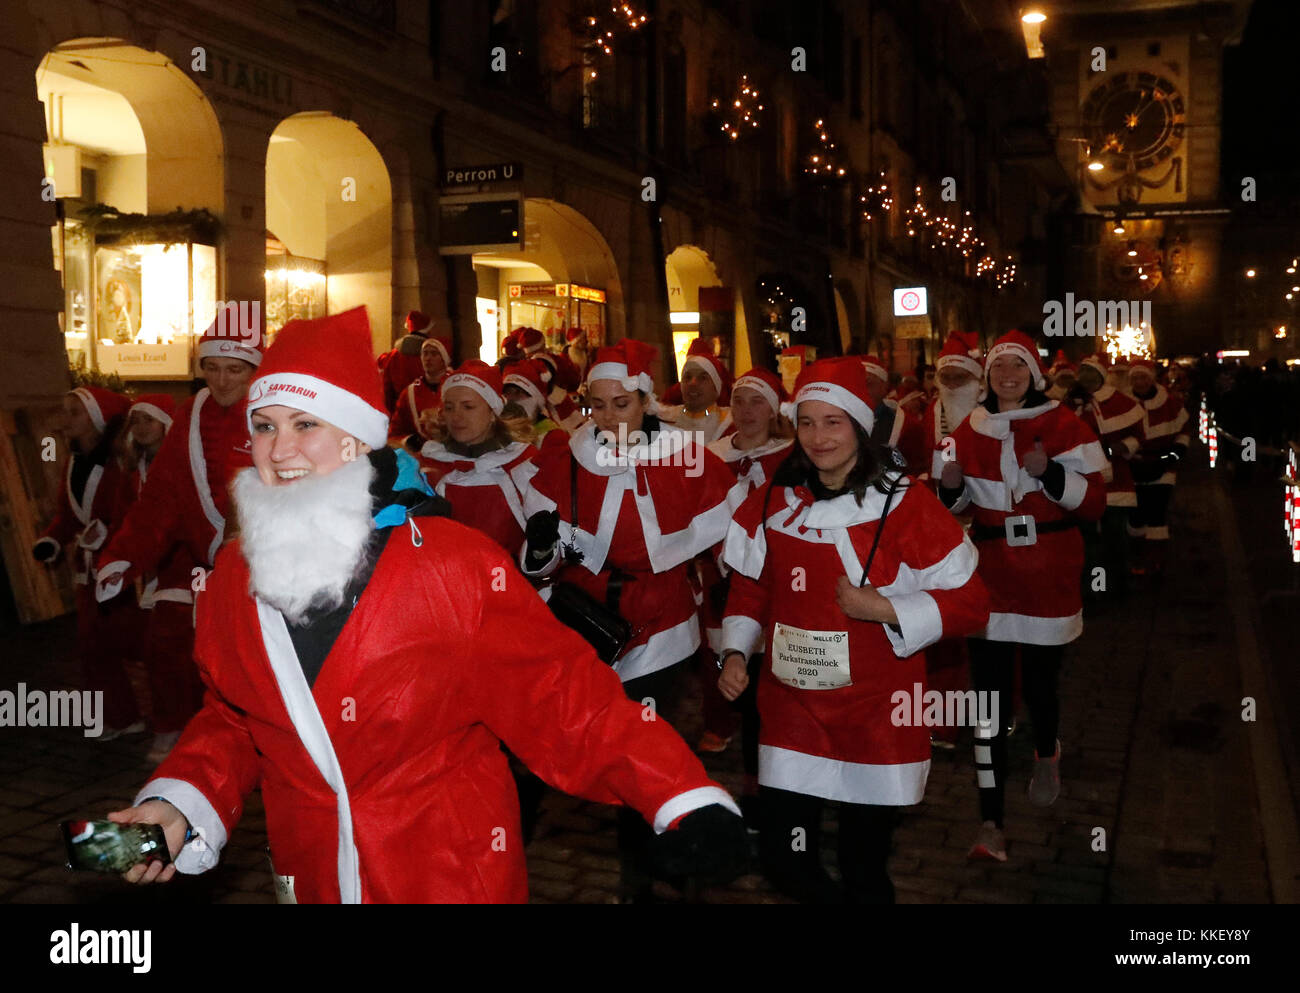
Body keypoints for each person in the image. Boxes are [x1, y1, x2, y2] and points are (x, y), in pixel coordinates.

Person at [105, 306, 745, 903]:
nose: (278, 450)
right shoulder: (235, 577)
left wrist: (677, 794)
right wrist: (184, 799)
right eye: (265, 427)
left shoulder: (451, 566)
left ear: (356, 439)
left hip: (448, 873)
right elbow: (241, 717)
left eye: (306, 425)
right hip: (314, 875)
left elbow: (561, 696)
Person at [717, 357, 990, 903]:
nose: (818, 438)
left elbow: (973, 603)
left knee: (863, 868)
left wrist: (887, 610)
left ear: (861, 426)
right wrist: (735, 653)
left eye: (833, 422)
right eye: (808, 422)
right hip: (794, 709)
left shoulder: (905, 504)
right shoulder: (774, 497)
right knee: (783, 859)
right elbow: (751, 585)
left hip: (876, 712)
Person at [515, 337, 736, 901]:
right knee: (548, 743)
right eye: (597, 404)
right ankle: (507, 845)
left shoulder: (688, 459)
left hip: (660, 626)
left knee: (648, 748)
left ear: (644, 402)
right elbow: (538, 563)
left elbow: (727, 541)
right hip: (584, 625)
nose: (608, 417)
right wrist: (540, 544)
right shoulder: (566, 456)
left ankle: (650, 875)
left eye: (622, 404)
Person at [936, 330, 1106, 862]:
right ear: (988, 376)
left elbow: (1096, 505)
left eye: (1017, 367)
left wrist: (1052, 473)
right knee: (987, 704)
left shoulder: (1062, 423)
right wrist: (950, 486)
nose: (1006, 376)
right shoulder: (971, 426)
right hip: (991, 575)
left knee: (1039, 687)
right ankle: (991, 822)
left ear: (1033, 374)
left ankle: (1046, 750)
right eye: (998, 367)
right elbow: (957, 506)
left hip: (1047, 573)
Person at [94, 307, 263, 741]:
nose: (222, 380)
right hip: (206, 567)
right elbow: (162, 497)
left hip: (267, 573)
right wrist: (123, 556)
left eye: (234, 369)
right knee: (188, 654)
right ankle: (202, 744)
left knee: (261, 670)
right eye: (212, 367)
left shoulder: (273, 413)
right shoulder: (190, 416)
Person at [698, 368, 794, 812]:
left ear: (774, 410)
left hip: (782, 586)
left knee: (774, 687)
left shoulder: (794, 458)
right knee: (739, 679)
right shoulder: (710, 457)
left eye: (757, 402)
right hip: (725, 584)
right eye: (739, 401)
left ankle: (773, 782)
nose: (747, 412)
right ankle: (754, 782)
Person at [32, 386, 141, 737]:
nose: (65, 420)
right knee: (91, 643)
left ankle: (174, 711)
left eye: (73, 413)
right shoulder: (72, 462)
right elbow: (69, 514)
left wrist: (107, 538)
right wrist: (52, 539)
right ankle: (120, 716)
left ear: (97, 420)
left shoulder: (119, 467)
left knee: (134, 640)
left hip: (115, 566)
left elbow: (131, 517)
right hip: (87, 568)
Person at [112, 393, 193, 762]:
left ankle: (177, 727)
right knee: (161, 654)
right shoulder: (133, 472)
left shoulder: (184, 466)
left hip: (182, 570)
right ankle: (175, 725)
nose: (142, 428)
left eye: (150, 420)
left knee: (168, 652)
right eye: (136, 421)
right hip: (155, 574)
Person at [417, 360, 539, 554]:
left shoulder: (523, 463)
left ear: (493, 412)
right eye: (449, 408)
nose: (456, 417)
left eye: (468, 407)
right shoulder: (427, 465)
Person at [1075, 354, 1144, 596]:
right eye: (1081, 371)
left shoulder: (1119, 402)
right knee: (1088, 541)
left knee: (1116, 538)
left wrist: (1114, 449)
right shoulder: (1072, 403)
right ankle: (1095, 590)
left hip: (1115, 483)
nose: (1084, 377)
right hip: (1082, 483)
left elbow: (1137, 435)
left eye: (1089, 372)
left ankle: (1118, 586)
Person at [1127, 357, 1189, 577]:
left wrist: (1172, 456)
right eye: (1135, 378)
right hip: (1132, 468)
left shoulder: (1169, 402)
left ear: (1151, 378)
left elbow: (1183, 431)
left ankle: (1156, 560)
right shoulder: (1124, 404)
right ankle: (1138, 557)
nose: (1140, 382)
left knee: (1157, 513)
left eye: (1143, 377)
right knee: (1136, 516)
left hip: (1163, 466)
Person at [861, 355, 927, 472]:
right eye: (856, 384)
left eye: (868, 384)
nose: (861, 389)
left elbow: (910, 469)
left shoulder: (905, 425)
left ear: (884, 386)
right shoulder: (844, 419)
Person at [387, 334, 451, 445]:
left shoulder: (458, 388)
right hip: (423, 455)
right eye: (425, 353)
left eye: (434, 353)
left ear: (444, 359)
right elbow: (394, 432)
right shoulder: (409, 393)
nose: (428, 358)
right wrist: (409, 441)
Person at [660, 349, 734, 444]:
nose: (692, 383)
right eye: (687, 377)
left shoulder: (730, 422)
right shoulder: (665, 418)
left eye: (703, 378)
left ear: (716, 388)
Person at [380, 311, 441, 416]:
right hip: (428, 412)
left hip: (400, 412)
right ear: (427, 330)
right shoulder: (435, 354)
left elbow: (387, 388)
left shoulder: (393, 355)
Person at [502, 358, 567, 448]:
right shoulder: (498, 431)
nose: (511, 398)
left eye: (518, 392)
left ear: (536, 399)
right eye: (507, 393)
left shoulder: (552, 437)